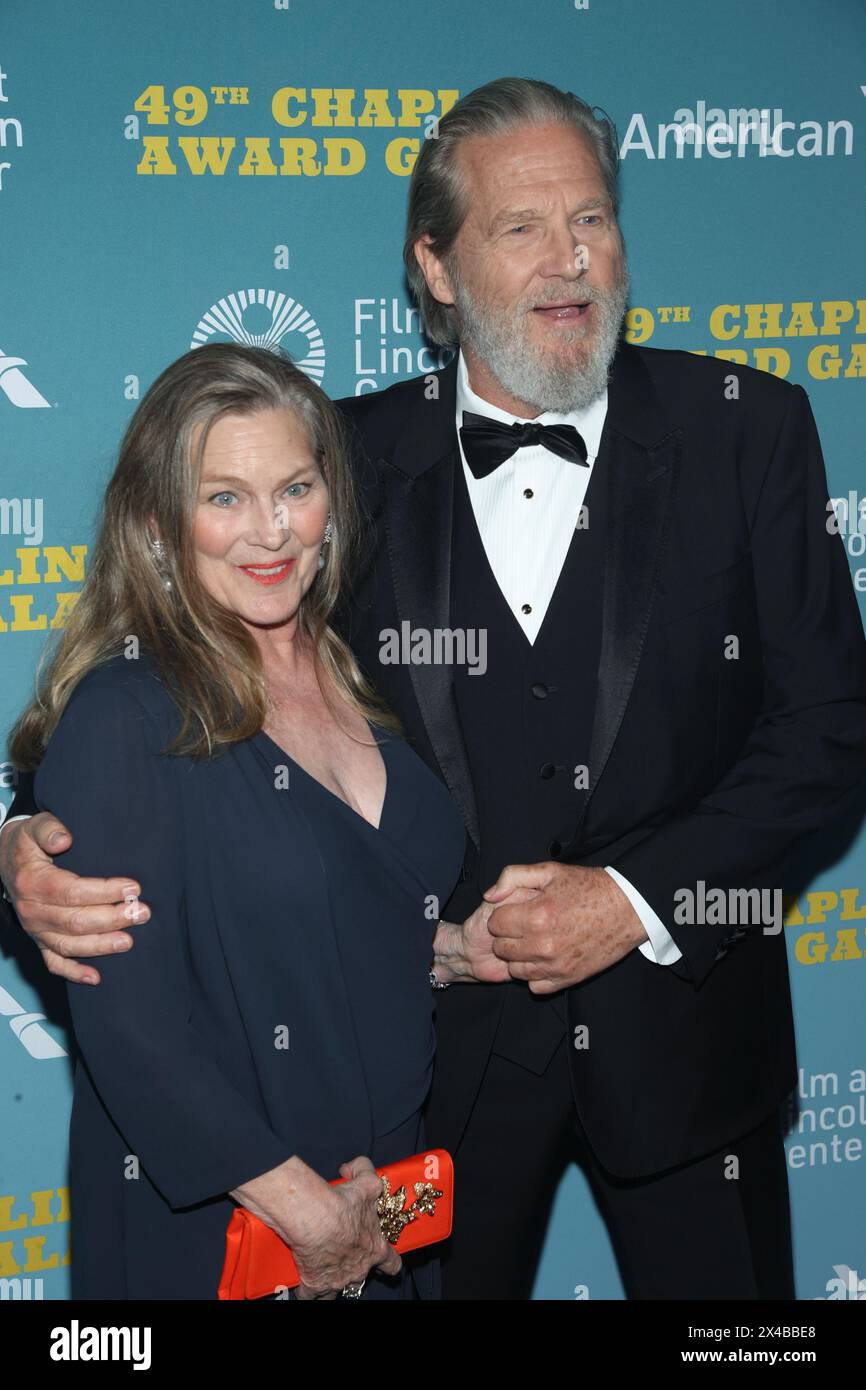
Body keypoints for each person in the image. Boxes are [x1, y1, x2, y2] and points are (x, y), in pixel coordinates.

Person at [4, 77, 866, 1300]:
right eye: (520, 227)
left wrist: (630, 900)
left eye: (593, 219)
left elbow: (828, 726)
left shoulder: (749, 429)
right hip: (421, 1088)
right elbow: (130, 702)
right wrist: (16, 848)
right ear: (436, 267)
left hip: (688, 1051)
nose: (570, 259)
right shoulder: (327, 464)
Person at [1, 342, 469, 1300]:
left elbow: (321, 913)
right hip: (230, 1234)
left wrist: (454, 944)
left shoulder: (358, 669)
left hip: (381, 1216)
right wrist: (302, 1210)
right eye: (223, 498)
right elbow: (133, 1034)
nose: (270, 532)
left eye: (295, 488)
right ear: (156, 523)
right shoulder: (128, 713)